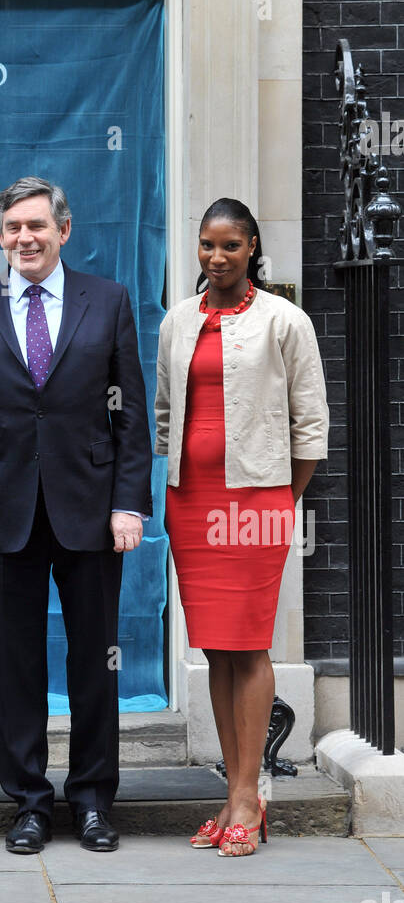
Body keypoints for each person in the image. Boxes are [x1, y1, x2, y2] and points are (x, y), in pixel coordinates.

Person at [0, 177, 153, 855]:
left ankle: (92, 801)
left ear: (64, 229)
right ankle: (29, 802)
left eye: (37, 226)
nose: (25, 238)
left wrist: (128, 502)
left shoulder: (108, 300)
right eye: (12, 229)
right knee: (15, 665)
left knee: (96, 663)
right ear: (0, 237)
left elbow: (131, 415)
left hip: (91, 513)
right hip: (4, 514)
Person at [156, 198, 328, 856]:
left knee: (250, 645)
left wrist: (280, 499)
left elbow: (310, 424)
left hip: (255, 503)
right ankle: (234, 792)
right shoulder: (178, 319)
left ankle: (250, 801)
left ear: (252, 246)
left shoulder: (286, 320)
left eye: (230, 245)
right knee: (216, 649)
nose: (217, 257)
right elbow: (167, 414)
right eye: (206, 245)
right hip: (192, 502)